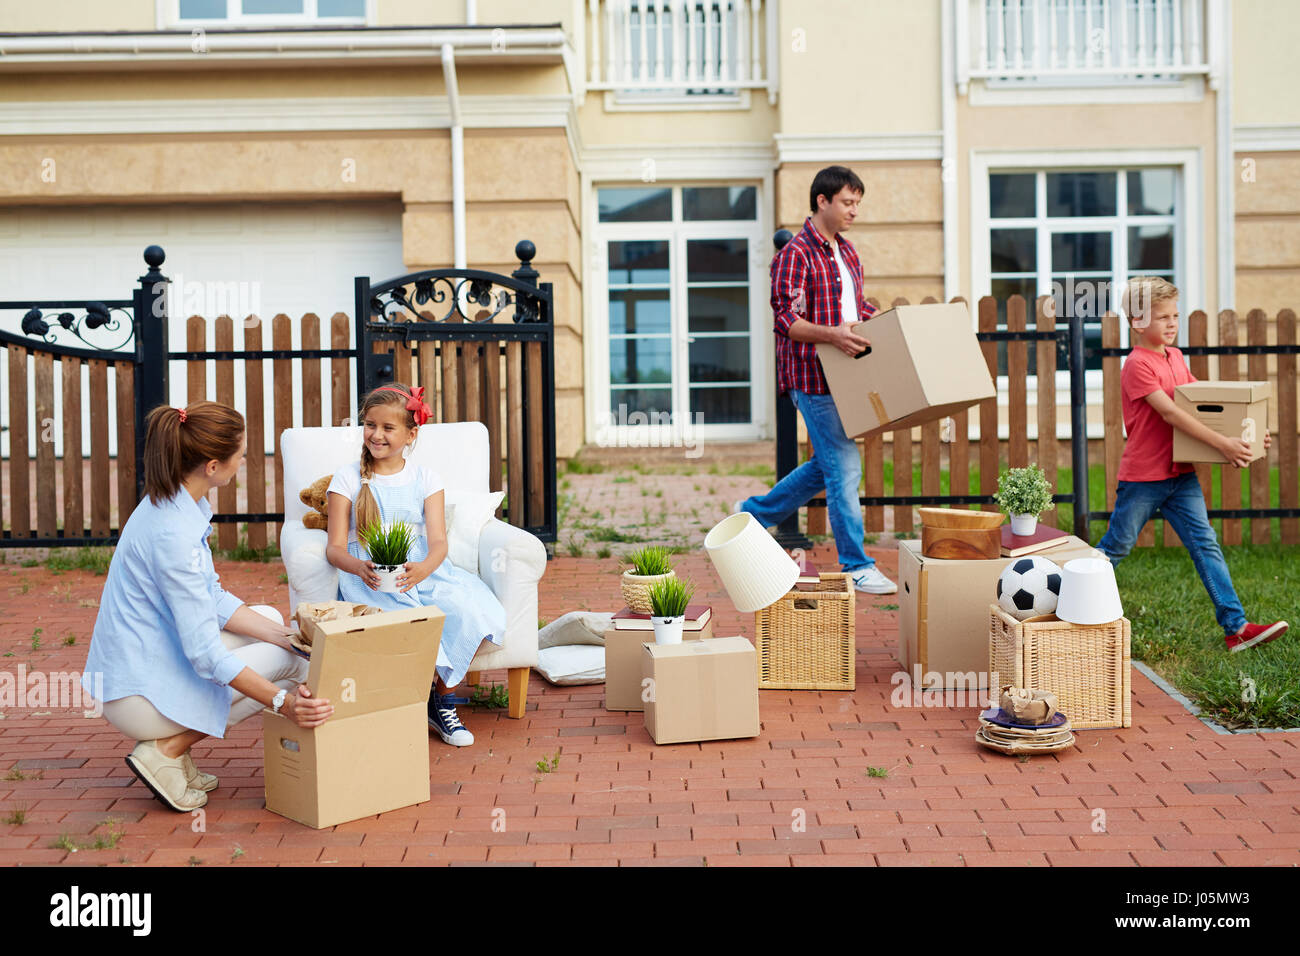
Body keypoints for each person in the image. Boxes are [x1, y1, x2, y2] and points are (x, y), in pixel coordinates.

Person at [83, 402, 333, 813]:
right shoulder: (174, 534)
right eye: (241, 453)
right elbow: (204, 655)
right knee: (292, 667)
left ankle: (175, 754)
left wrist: (287, 636)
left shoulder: (177, 503)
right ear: (213, 467)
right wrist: (283, 704)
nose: (245, 459)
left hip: (142, 664)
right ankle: (164, 752)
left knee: (273, 625)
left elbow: (211, 597)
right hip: (135, 697)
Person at [1097, 276, 1288, 652]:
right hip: (1144, 478)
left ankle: (1236, 629)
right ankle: (1060, 604)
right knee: (1115, 548)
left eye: (1175, 315)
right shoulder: (1137, 365)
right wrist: (1224, 446)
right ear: (1137, 322)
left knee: (1205, 545)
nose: (1172, 323)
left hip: (1180, 475)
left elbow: (1203, 406)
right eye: (1163, 317)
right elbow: (1173, 415)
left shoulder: (1175, 357)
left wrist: (1248, 437)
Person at [736, 164, 896, 594]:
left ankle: (751, 514)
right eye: (847, 202)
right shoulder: (794, 254)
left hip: (846, 375)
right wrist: (833, 335)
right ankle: (856, 565)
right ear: (822, 201)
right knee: (844, 467)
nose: (854, 210)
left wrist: (874, 322)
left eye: (857, 203)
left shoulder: (847, 252)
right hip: (811, 376)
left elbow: (851, 308)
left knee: (825, 464)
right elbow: (787, 319)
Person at [324, 383, 506, 746]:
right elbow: (334, 548)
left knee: (469, 610)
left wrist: (424, 568)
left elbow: (439, 541)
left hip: (424, 571)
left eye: (388, 428)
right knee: (406, 622)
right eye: (370, 425)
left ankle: (441, 699)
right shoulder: (347, 479)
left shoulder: (425, 479)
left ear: (411, 434)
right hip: (371, 577)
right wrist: (358, 568)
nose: (376, 435)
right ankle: (408, 703)